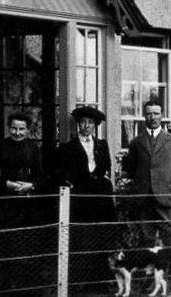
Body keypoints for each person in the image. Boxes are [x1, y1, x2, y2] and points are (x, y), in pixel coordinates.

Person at [122, 100, 171, 293]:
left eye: (156, 113)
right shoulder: (136, 142)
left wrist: (169, 187)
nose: (152, 117)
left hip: (166, 199)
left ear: (162, 116)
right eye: (149, 114)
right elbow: (131, 168)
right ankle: (148, 281)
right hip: (144, 200)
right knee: (147, 242)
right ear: (144, 116)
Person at [53, 105, 118, 293]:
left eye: (90, 123)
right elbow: (57, 171)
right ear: (78, 125)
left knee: (101, 237)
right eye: (83, 122)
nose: (86, 126)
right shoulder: (68, 147)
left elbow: (106, 166)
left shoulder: (101, 145)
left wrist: (103, 179)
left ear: (95, 125)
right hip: (80, 199)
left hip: (100, 198)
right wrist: (68, 183)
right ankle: (78, 284)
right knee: (82, 239)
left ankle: (100, 282)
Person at [0, 113, 46, 297]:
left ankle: (24, 288)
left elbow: (40, 175)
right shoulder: (0, 147)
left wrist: (32, 185)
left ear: (27, 130)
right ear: (8, 128)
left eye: (21, 129)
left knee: (25, 245)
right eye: (14, 128)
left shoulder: (34, 148)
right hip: (4, 205)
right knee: (5, 246)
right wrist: (6, 184)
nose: (17, 132)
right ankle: (4, 289)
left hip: (26, 205)